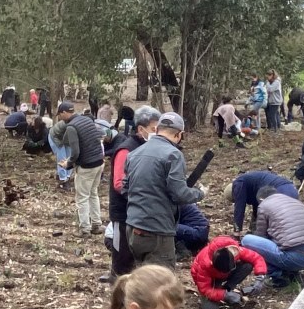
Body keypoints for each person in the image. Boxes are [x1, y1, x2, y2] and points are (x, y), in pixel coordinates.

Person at [122, 115, 205, 270]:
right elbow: (179, 194)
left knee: (143, 276)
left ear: (157, 130)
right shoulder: (173, 155)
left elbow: (125, 188)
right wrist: (198, 193)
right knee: (161, 282)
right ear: (179, 134)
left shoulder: (134, 153)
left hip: (133, 227)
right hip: (157, 230)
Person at [107, 106, 158, 277]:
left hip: (140, 212)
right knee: (121, 256)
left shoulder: (150, 148)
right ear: (141, 129)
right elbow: (119, 184)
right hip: (123, 213)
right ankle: (118, 290)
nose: (157, 133)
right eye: (153, 129)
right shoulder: (126, 150)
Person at [243, 187, 304, 283]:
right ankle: (291, 272)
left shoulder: (264, 205)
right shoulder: (295, 202)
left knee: (247, 240)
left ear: (261, 199)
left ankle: (277, 277)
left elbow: (261, 236)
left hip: (295, 258)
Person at [57, 99, 106, 236]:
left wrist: (68, 164)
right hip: (99, 162)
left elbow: (76, 151)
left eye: (60, 115)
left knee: (82, 197)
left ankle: (85, 229)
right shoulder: (87, 120)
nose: (60, 118)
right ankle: (96, 224)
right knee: (93, 193)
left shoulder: (72, 127)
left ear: (65, 113)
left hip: (87, 165)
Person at [190, 237, 267, 309]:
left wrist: (260, 278)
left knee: (247, 266)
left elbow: (257, 258)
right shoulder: (204, 265)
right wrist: (224, 295)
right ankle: (224, 292)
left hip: (224, 273)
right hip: (212, 279)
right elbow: (205, 290)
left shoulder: (233, 249)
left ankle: (227, 288)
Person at [228, 169, 296, 231]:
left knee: (279, 225)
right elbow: (257, 210)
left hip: (279, 191)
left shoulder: (239, 183)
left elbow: (239, 209)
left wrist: (237, 231)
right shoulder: (253, 186)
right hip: (292, 189)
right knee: (291, 223)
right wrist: (252, 229)